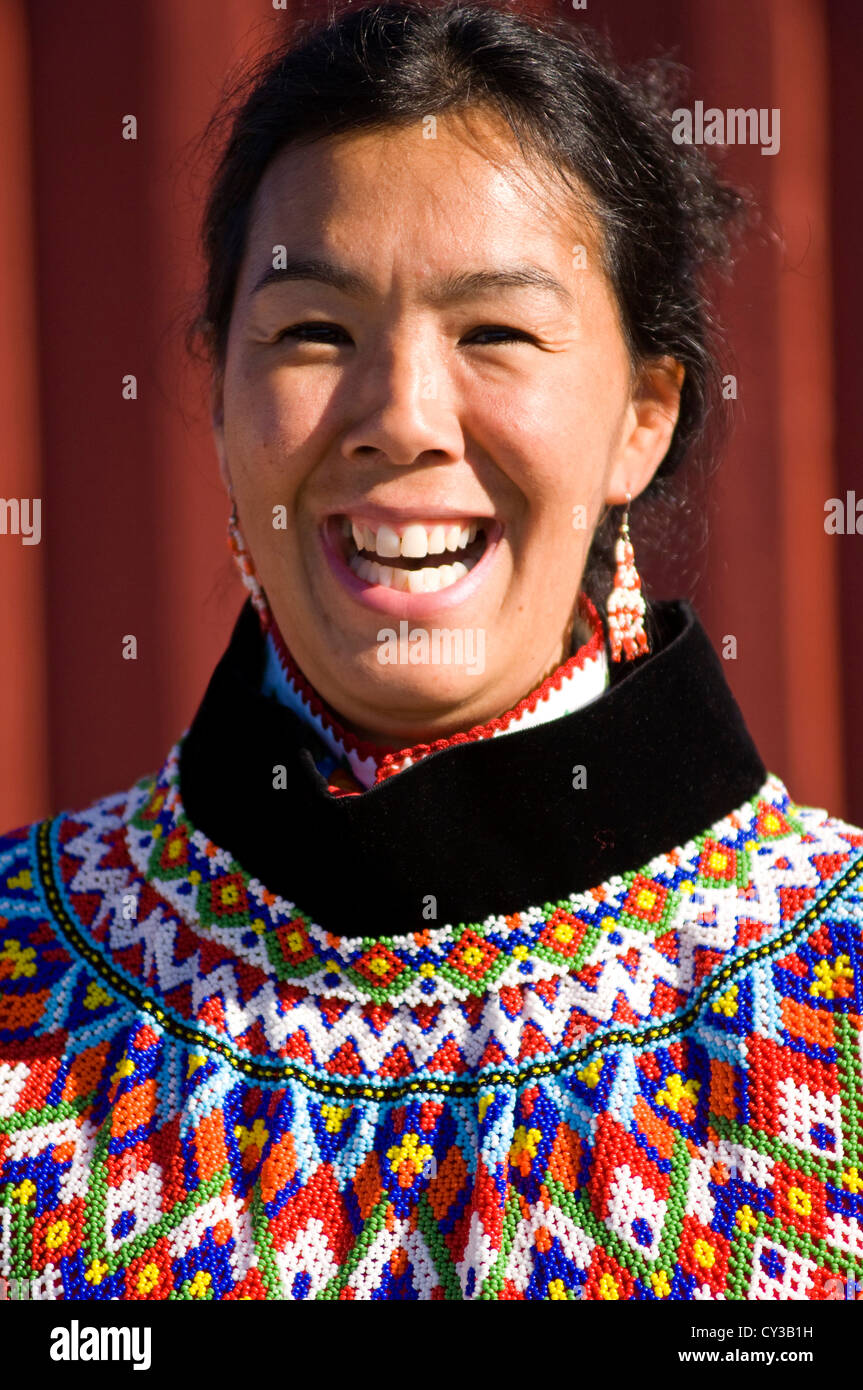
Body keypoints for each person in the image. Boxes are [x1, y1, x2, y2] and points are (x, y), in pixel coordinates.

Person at [1, 0, 861, 1303]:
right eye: (311, 333)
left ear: (644, 413)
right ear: (221, 394)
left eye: (496, 333)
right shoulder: (22, 978)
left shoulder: (840, 999)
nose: (401, 418)